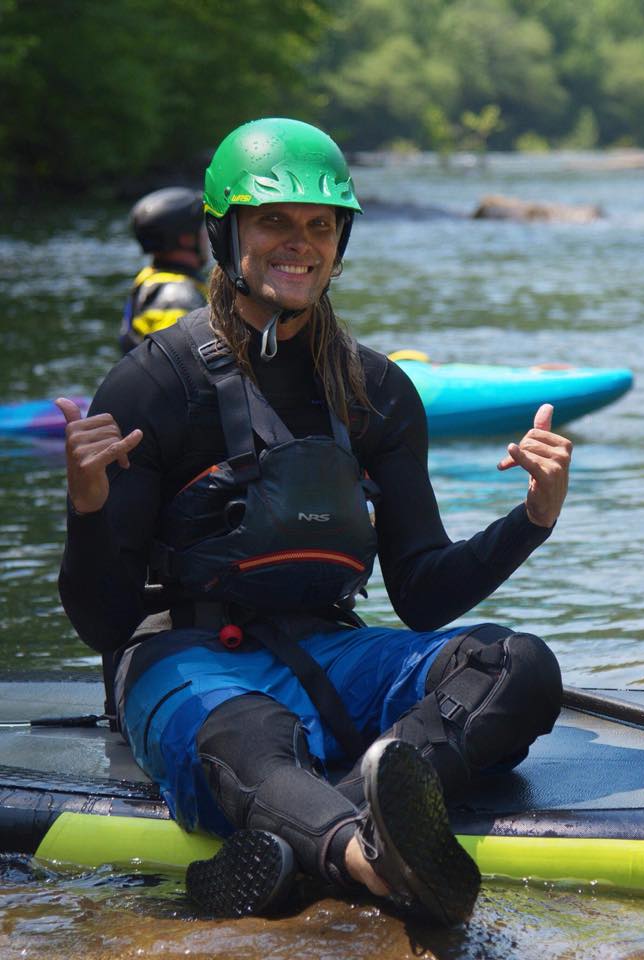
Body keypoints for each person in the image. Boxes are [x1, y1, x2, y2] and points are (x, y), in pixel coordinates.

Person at [56, 117, 570, 926]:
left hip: (333, 650)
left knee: (515, 663)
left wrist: (531, 520)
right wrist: (86, 512)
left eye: (319, 226)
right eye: (274, 222)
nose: (300, 245)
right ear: (226, 233)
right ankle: (369, 857)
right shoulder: (151, 386)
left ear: (340, 240)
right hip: (182, 660)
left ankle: (298, 854)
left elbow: (424, 596)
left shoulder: (376, 390)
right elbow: (106, 622)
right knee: (253, 731)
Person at [119, 187, 209, 353]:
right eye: (202, 228)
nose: (207, 235)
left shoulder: (150, 277)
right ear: (187, 239)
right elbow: (181, 362)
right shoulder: (177, 296)